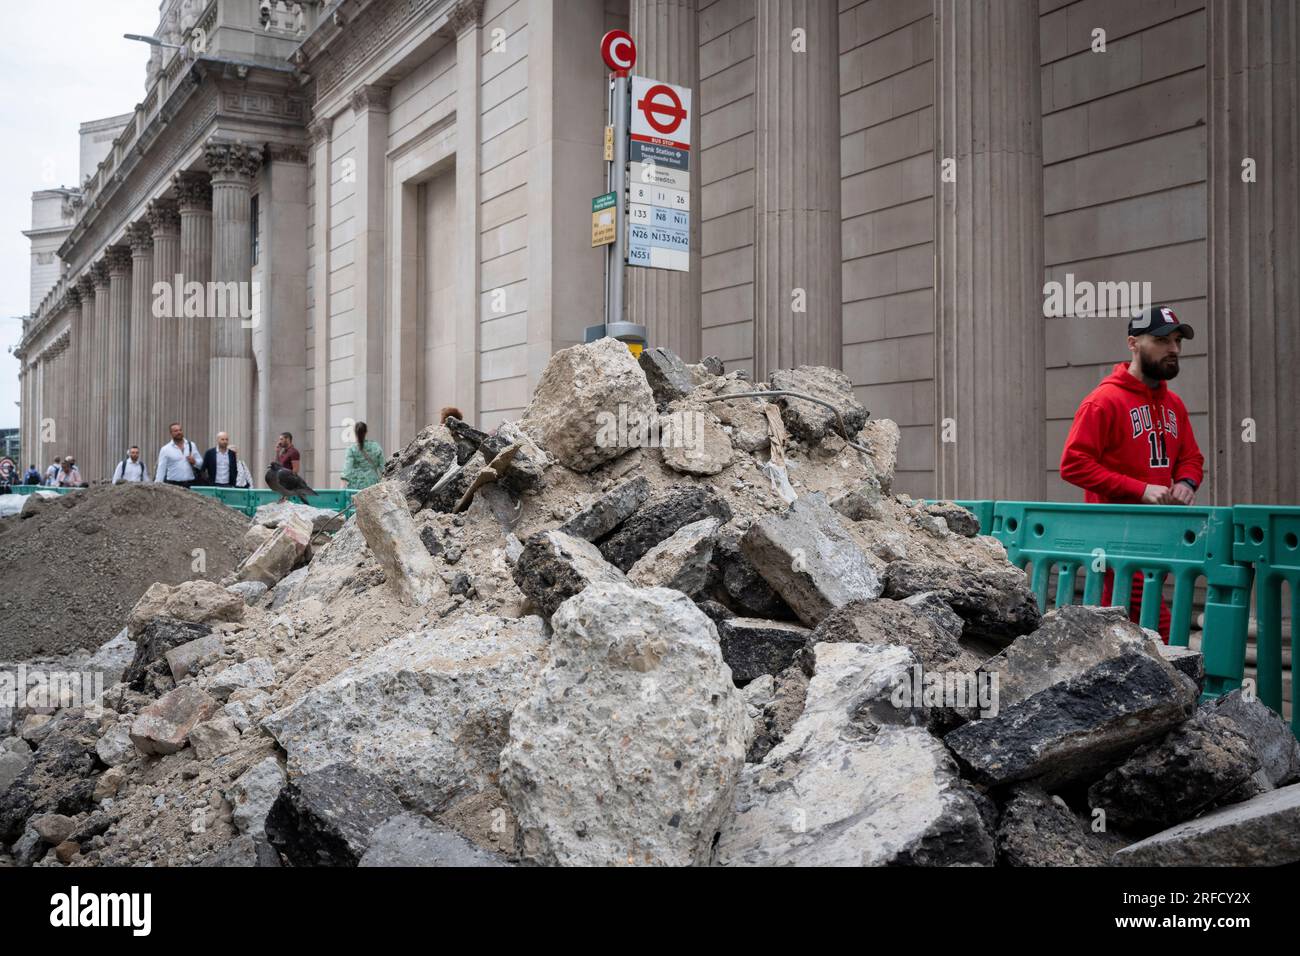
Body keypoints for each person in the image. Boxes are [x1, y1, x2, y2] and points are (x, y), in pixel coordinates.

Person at [1059, 305, 1204, 641]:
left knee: (1123, 633)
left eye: (1178, 340)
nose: (1174, 349)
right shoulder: (1103, 401)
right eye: (1162, 340)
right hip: (1116, 540)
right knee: (1165, 633)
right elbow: (1073, 463)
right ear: (1133, 343)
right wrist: (1140, 489)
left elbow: (1191, 457)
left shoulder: (1175, 405)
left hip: (1157, 539)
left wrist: (1185, 481)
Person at [155, 422, 203, 488]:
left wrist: (195, 462)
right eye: (176, 431)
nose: (179, 432)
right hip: (173, 484)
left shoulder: (191, 445)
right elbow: (161, 469)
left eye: (180, 430)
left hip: (190, 484)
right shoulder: (165, 449)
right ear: (171, 433)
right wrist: (157, 486)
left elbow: (201, 463)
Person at [341, 421, 385, 490]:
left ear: (355, 433)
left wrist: (342, 486)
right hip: (372, 483)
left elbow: (347, 469)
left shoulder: (352, 449)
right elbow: (383, 468)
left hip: (356, 485)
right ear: (366, 432)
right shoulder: (375, 446)